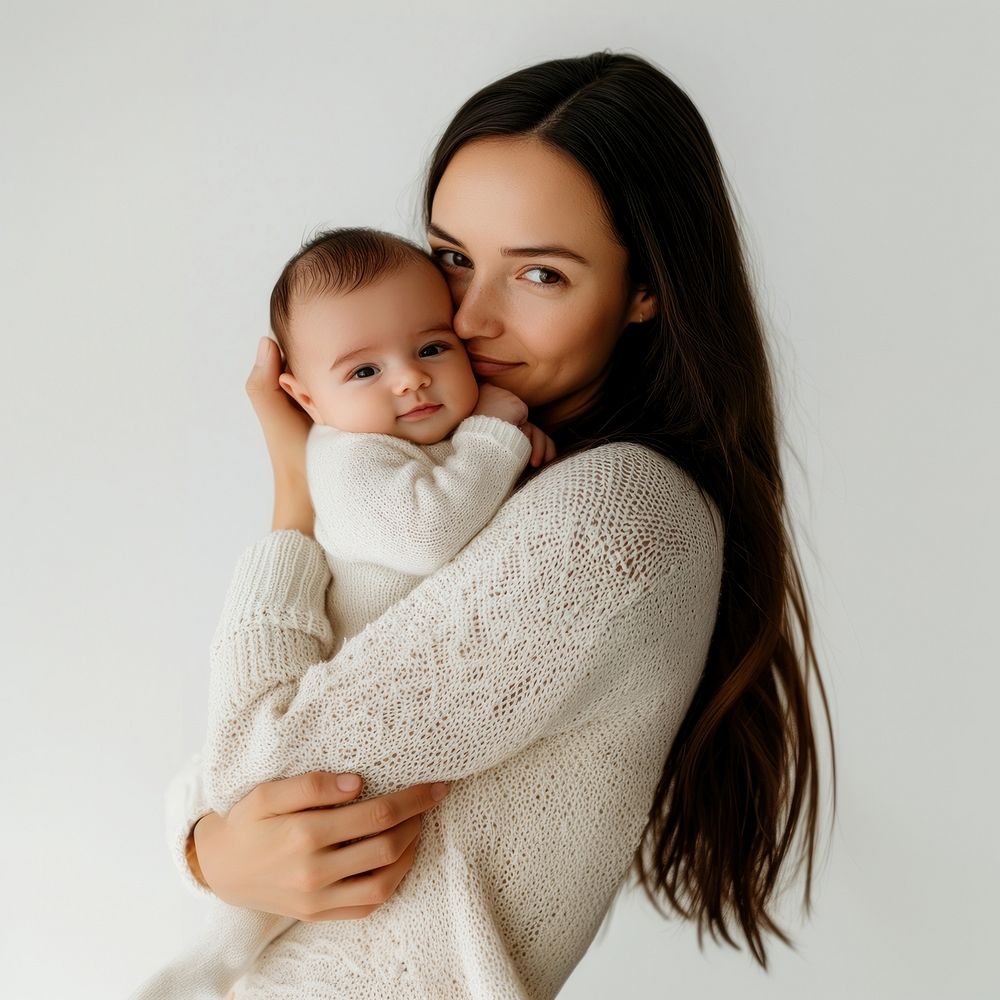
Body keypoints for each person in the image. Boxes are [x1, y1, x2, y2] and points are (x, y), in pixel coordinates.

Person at [133, 50, 836, 1000]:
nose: (464, 319)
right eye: (454, 258)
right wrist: (211, 847)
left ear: (645, 291)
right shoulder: (473, 479)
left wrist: (296, 495)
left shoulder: (616, 518)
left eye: (540, 274)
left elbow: (249, 770)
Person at [131, 227, 560, 998]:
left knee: (266, 908)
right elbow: (430, 532)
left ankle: (199, 972)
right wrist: (498, 428)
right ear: (304, 397)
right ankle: (189, 976)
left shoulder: (429, 443)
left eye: (431, 349)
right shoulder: (348, 457)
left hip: (342, 720)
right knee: (246, 918)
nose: (409, 382)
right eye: (365, 369)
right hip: (318, 717)